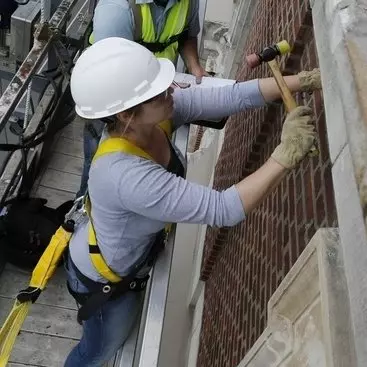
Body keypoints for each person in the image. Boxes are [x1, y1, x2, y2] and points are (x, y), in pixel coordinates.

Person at [65, 37, 321, 366]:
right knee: (99, 351)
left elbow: (232, 96)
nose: (172, 89)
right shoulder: (124, 176)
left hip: (126, 251)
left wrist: (303, 81)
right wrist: (285, 155)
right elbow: (223, 209)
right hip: (104, 284)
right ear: (127, 114)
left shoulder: (154, 116)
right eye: (159, 91)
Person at [76, 0, 207, 198]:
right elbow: (108, 77)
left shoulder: (187, 2)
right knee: (99, 161)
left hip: (153, 96)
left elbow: (186, 35)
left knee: (144, 159)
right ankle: (86, 205)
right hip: (112, 104)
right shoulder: (117, 10)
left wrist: (195, 67)